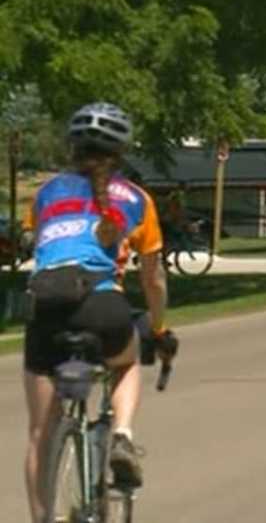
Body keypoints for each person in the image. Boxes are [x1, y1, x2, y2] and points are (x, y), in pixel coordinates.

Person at [22, 103, 173, 522]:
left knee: (40, 434)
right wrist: (159, 328)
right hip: (104, 306)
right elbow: (154, 277)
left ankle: (41, 518)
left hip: (46, 306)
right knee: (126, 364)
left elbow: (43, 247)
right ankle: (122, 434)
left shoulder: (47, 192)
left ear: (72, 147)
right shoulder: (138, 200)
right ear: (122, 151)